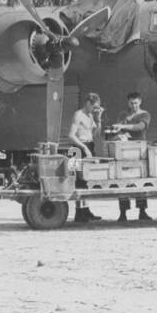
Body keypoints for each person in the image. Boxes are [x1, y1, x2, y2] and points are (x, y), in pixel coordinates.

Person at [114, 91, 152, 222]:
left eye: (136, 103)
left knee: (140, 182)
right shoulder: (123, 115)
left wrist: (123, 126)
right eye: (131, 103)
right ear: (128, 102)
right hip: (124, 151)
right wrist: (120, 132)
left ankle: (142, 211)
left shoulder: (145, 114)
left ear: (140, 102)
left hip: (139, 152)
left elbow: (140, 127)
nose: (134, 105)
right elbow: (118, 130)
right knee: (123, 183)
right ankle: (123, 213)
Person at [69, 93, 104, 223]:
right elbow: (71, 135)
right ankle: (79, 213)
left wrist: (98, 118)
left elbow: (95, 134)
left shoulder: (90, 116)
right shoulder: (78, 115)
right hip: (76, 148)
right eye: (94, 106)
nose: (95, 109)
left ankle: (86, 211)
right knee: (77, 181)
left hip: (88, 145)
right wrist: (84, 148)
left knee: (86, 180)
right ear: (88, 103)